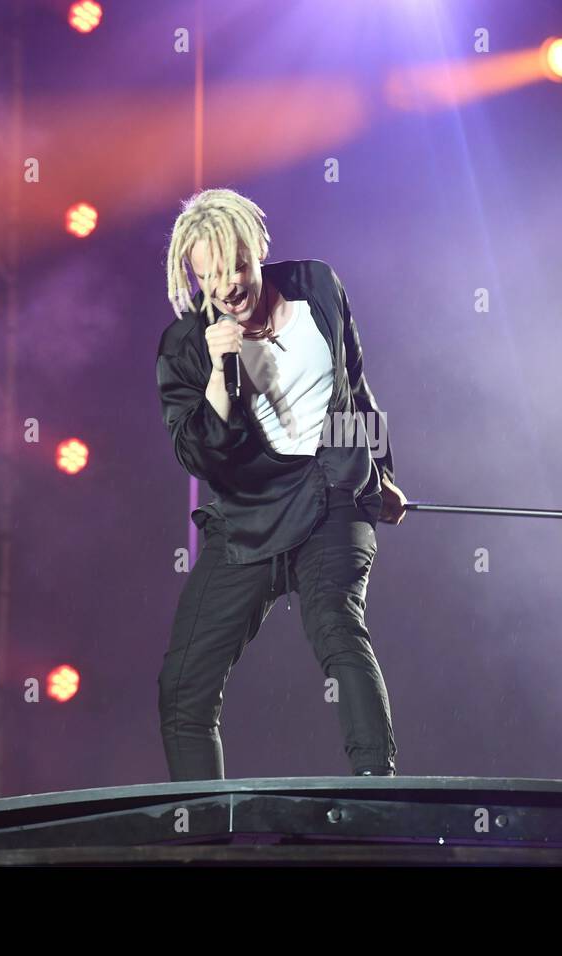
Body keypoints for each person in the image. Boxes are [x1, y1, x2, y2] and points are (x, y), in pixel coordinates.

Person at [155, 187, 406, 781]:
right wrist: (222, 375)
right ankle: (205, 823)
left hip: (335, 495)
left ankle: (378, 790)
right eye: (210, 276)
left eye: (238, 266)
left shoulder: (318, 286)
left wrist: (383, 473)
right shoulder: (187, 347)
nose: (229, 286)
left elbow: (357, 389)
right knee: (184, 684)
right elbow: (200, 458)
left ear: (258, 249)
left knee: (337, 626)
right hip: (250, 517)